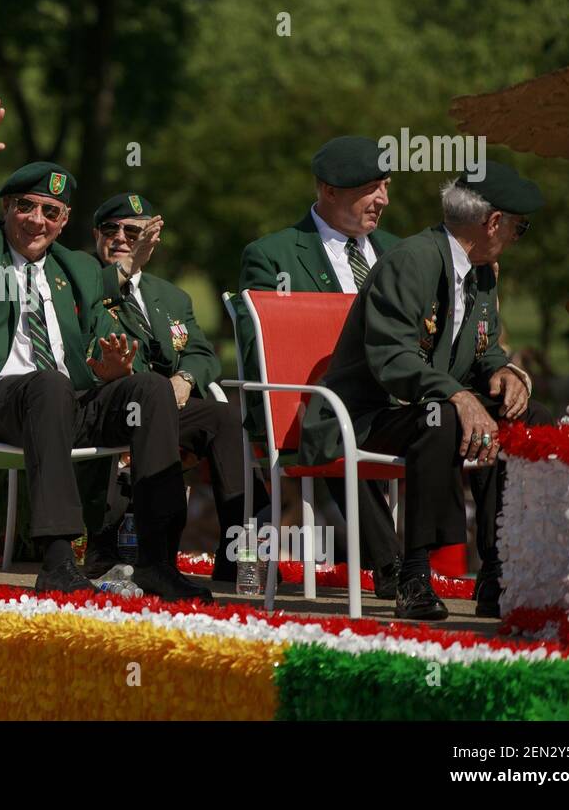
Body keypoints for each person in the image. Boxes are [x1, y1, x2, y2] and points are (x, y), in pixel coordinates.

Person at [0, 98, 210, 601]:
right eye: (26, 206)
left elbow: (101, 343)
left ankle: (155, 560)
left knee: (148, 389)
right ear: (6, 209)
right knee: (47, 385)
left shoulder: (77, 270)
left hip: (62, 402)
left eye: (51, 212)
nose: (37, 220)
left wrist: (110, 369)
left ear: (63, 222)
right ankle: (59, 558)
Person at [299, 163, 544, 620]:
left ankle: (499, 568)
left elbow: (482, 346)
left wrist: (507, 372)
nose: (517, 237)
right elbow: (392, 358)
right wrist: (458, 395)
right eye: (519, 227)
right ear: (493, 223)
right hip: (366, 415)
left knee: (525, 418)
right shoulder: (412, 260)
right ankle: (413, 577)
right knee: (445, 418)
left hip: (422, 406)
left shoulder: (483, 271)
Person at [235, 135, 404, 596]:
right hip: (310, 404)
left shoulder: (400, 253)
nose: (383, 200)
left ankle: (488, 567)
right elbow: (263, 352)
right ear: (329, 191)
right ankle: (395, 567)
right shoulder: (274, 255)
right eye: (371, 188)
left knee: (459, 419)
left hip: (397, 399)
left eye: (386, 186)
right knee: (339, 422)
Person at [84, 191, 253, 581]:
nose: (123, 238)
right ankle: (110, 547)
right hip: (109, 401)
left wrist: (185, 378)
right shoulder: (86, 280)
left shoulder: (171, 295)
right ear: (96, 234)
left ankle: (235, 552)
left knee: (225, 417)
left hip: (168, 403)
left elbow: (203, 353)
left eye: (134, 232)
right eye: (113, 229)